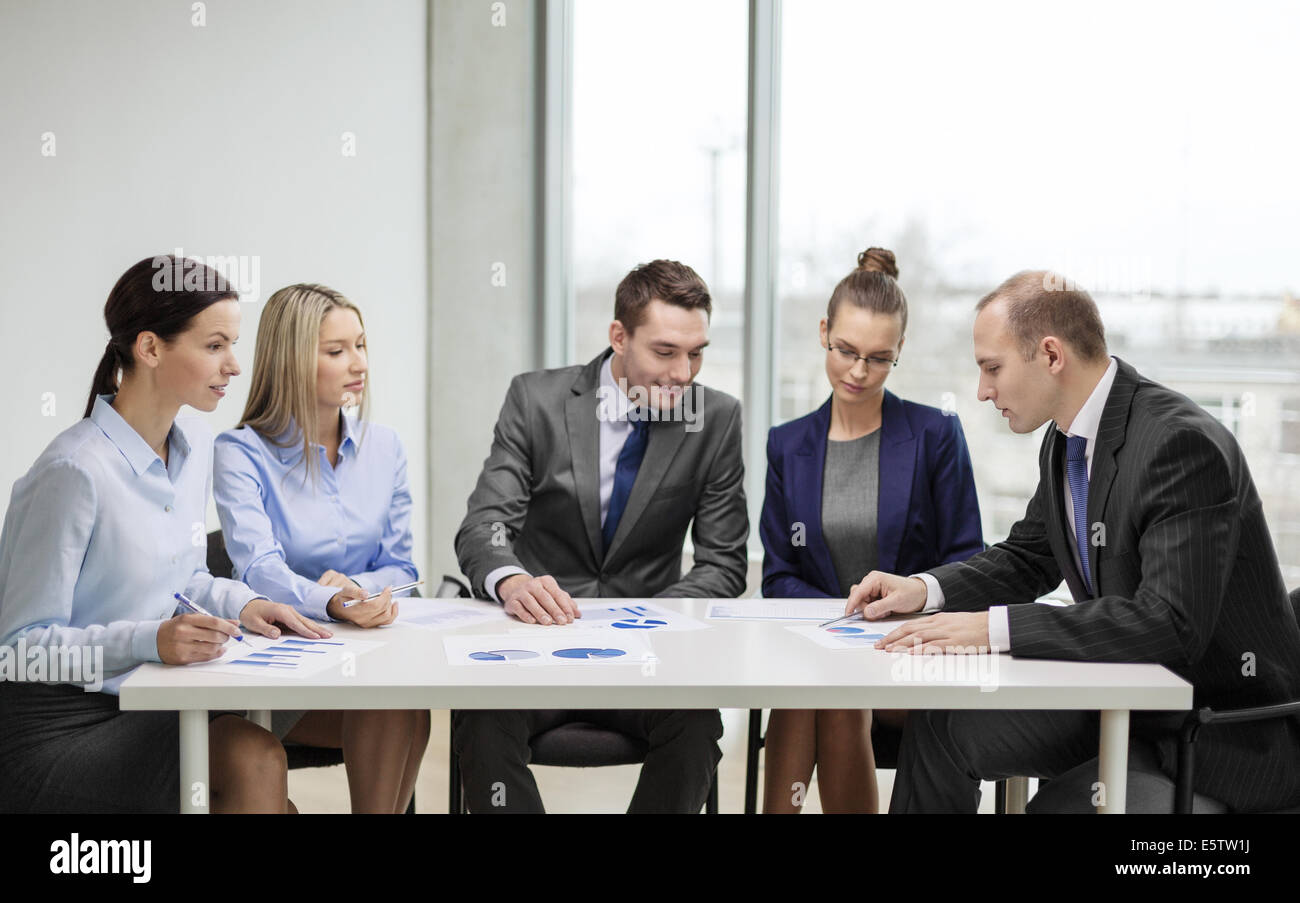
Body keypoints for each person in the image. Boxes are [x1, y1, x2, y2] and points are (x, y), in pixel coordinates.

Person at [847, 270, 1300, 813]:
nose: (983, 390)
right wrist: (925, 590)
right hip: (1122, 701)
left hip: (1207, 733)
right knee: (943, 722)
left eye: (993, 368)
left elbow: (1168, 625)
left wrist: (991, 628)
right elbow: (1029, 556)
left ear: (1051, 355)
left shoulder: (1179, 444)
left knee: (1058, 809)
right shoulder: (1065, 440)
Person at [0, 255, 325, 813]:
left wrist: (245, 603)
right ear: (150, 348)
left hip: (153, 697)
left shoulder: (191, 447)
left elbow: (185, 576)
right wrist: (148, 639)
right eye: (215, 345)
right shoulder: (72, 473)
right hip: (59, 733)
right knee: (251, 758)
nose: (234, 366)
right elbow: (18, 649)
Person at [453, 259, 749, 813]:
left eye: (696, 353)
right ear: (619, 337)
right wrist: (512, 580)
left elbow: (724, 564)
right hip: (535, 646)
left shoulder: (715, 419)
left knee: (697, 724)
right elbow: (485, 524)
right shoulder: (535, 401)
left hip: (650, 654)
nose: (684, 374)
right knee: (481, 718)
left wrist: (644, 618)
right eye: (665, 352)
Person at [759, 247, 983, 814]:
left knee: (829, 694)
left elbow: (968, 560)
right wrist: (842, 624)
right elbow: (780, 576)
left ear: (899, 351)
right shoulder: (788, 445)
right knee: (815, 691)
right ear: (823, 334)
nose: (858, 372)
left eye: (879, 358)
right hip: (827, 647)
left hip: (911, 650)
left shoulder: (935, 435)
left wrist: (894, 614)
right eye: (846, 352)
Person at [213, 283, 429, 814]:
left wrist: (361, 590)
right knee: (392, 702)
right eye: (336, 351)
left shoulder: (386, 448)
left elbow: (403, 568)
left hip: (365, 665)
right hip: (278, 670)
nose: (359, 364)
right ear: (290, 363)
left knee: (404, 703)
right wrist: (328, 600)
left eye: (361, 345)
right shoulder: (240, 453)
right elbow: (259, 569)